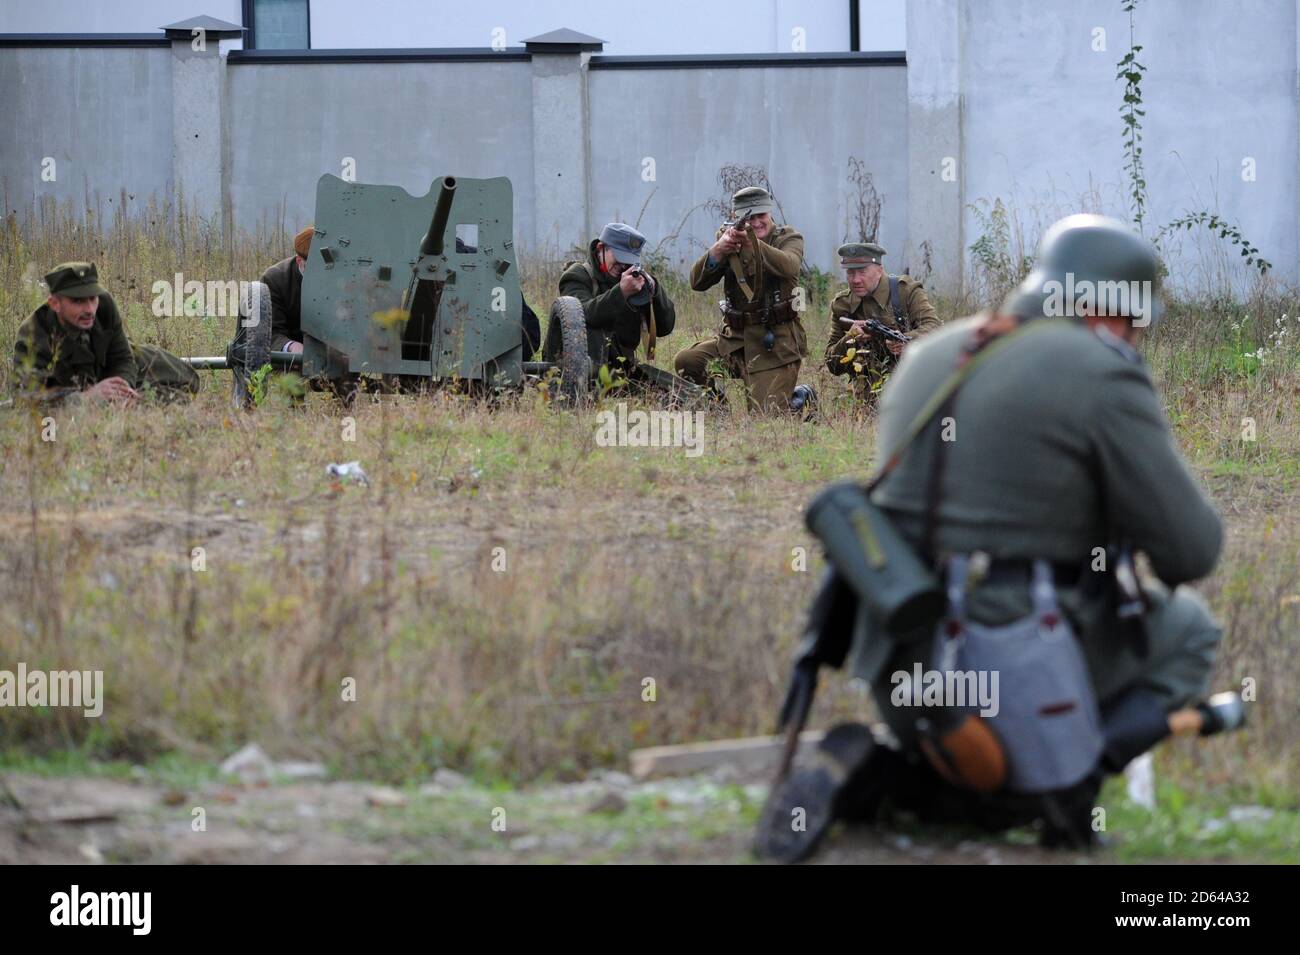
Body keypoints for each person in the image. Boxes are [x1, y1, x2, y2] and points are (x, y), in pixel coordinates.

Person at [757, 215, 1245, 862]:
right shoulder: (1099, 367)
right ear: (1109, 310)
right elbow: (1192, 551)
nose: (1136, 338)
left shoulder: (938, 352)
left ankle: (899, 774)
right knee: (1188, 627)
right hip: (1012, 664)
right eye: (1136, 322)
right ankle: (1055, 789)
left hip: (900, 669)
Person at [674, 186, 810, 412]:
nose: (755, 223)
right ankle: (718, 410)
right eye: (749, 218)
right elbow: (697, 283)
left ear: (770, 213)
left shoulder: (788, 238)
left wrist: (752, 244)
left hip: (776, 344)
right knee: (687, 362)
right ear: (735, 217)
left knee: (765, 422)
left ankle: (801, 398)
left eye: (761, 216)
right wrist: (719, 250)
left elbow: (789, 266)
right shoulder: (728, 239)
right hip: (736, 342)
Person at [12, 261, 198, 403]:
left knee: (186, 378)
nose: (90, 309)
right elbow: (27, 397)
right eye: (78, 301)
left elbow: (122, 357)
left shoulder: (105, 304)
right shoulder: (33, 334)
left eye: (92, 299)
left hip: (105, 371)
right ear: (55, 303)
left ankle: (134, 406)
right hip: (68, 389)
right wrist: (87, 398)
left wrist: (122, 390)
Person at [544, 222, 678, 392]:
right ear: (601, 248)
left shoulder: (633, 280)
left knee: (678, 392)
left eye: (628, 261)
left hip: (620, 370)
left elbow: (665, 327)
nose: (623, 266)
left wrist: (655, 291)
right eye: (619, 258)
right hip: (577, 370)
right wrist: (621, 292)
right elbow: (583, 315)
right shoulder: (577, 276)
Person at [824, 242, 940, 404]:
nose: (856, 280)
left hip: (910, 389)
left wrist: (908, 340)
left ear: (879, 270)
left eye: (862, 272)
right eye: (850, 273)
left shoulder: (905, 292)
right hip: (865, 396)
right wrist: (851, 339)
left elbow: (934, 328)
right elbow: (832, 365)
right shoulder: (842, 305)